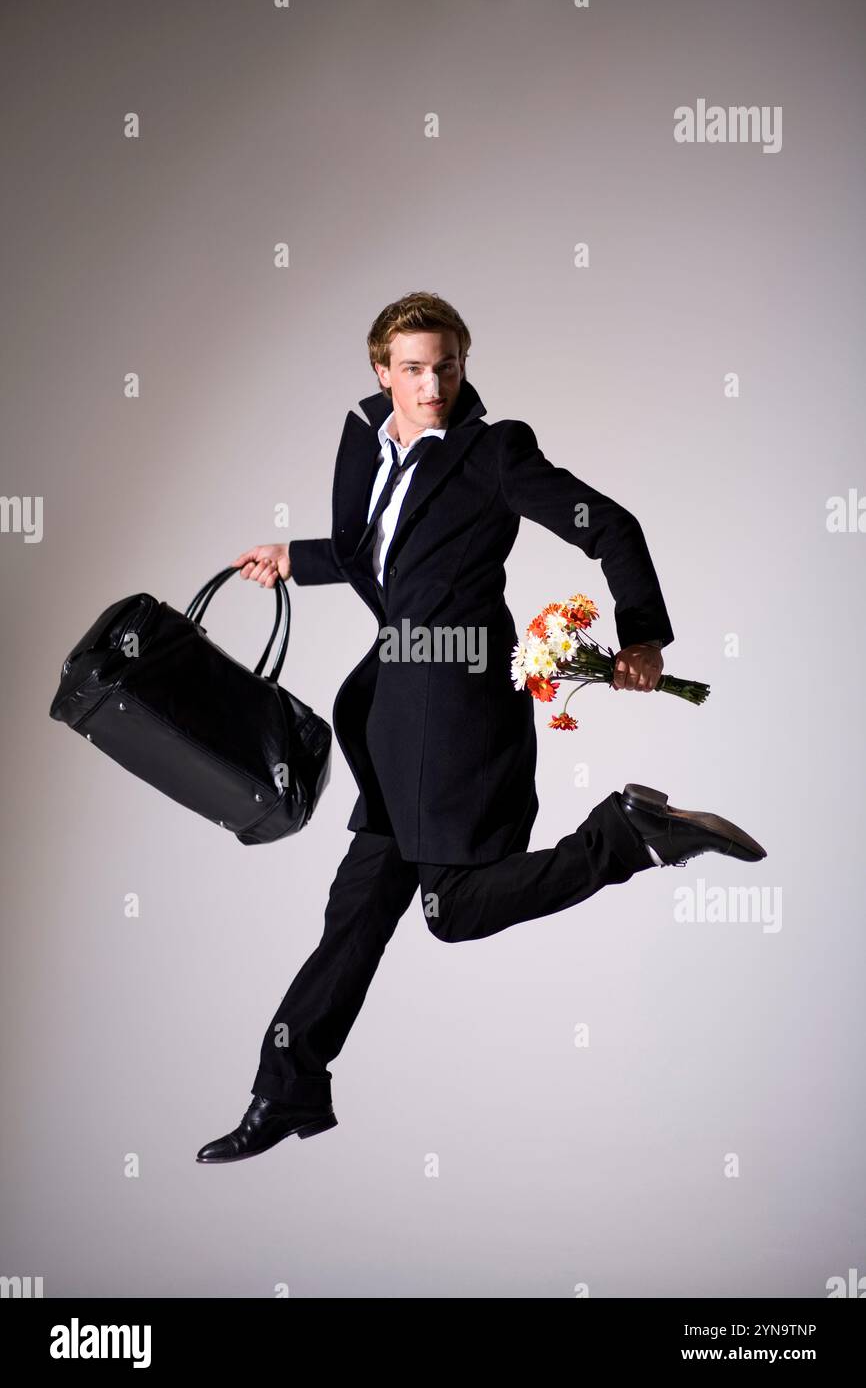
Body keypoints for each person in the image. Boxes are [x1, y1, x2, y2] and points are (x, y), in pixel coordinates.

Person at [195, 291, 766, 1164]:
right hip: (394, 709)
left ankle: (624, 835)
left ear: (465, 365)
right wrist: (295, 558)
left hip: (454, 708)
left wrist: (642, 634)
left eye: (448, 367)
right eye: (414, 369)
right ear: (382, 371)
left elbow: (612, 526)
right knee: (355, 913)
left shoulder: (495, 452)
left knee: (450, 910)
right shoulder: (362, 435)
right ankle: (286, 1090)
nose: (433, 387)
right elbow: (369, 548)